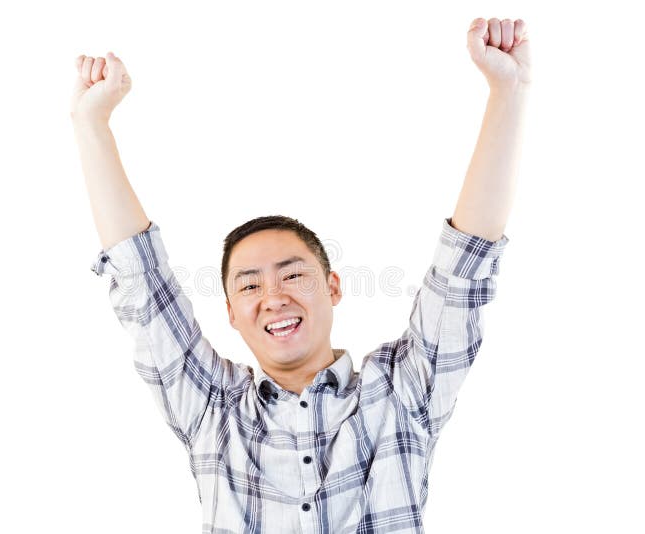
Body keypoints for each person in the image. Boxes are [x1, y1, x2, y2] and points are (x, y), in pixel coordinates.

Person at [71, 16, 529, 533]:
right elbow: (141, 282)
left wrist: (506, 91)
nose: (272, 297)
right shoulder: (212, 410)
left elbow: (463, 268)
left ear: (332, 288)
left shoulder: (401, 392)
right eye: (249, 285)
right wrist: (92, 124)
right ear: (231, 314)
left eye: (292, 276)